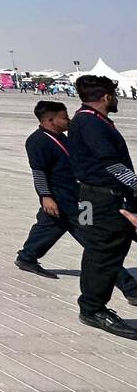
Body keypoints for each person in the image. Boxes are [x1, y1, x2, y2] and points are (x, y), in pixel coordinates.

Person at [14, 100, 137, 302]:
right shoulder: (38, 141)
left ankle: (27, 256)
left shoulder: (63, 138)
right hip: (68, 202)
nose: (69, 120)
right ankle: (130, 288)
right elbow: (39, 172)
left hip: (78, 197)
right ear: (50, 120)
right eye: (64, 117)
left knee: (49, 226)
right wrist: (46, 196)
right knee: (97, 243)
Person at [70, 75, 137, 338]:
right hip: (103, 200)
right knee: (103, 252)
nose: (117, 99)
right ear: (107, 97)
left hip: (94, 197)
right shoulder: (90, 122)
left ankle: (93, 305)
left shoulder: (88, 120)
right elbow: (112, 164)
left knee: (100, 251)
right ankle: (93, 309)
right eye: (115, 95)